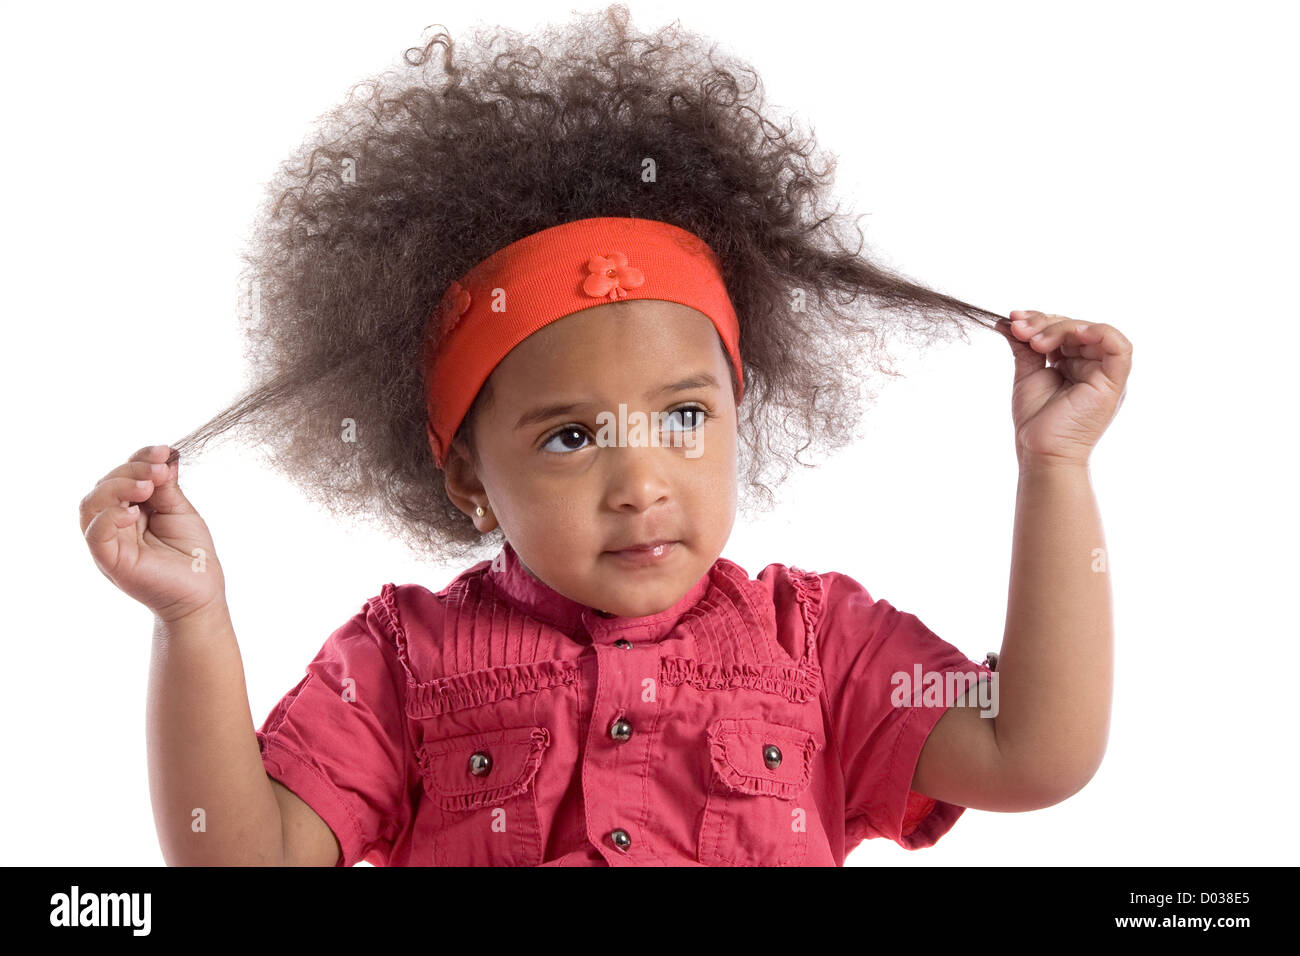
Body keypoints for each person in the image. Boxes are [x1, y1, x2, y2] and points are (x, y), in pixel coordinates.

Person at [78, 4, 1132, 866]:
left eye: (682, 416)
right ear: (466, 475)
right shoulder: (400, 663)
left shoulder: (819, 646)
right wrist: (192, 622)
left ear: (737, 411)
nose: (640, 479)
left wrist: (1056, 465)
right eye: (571, 436)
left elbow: (1033, 749)